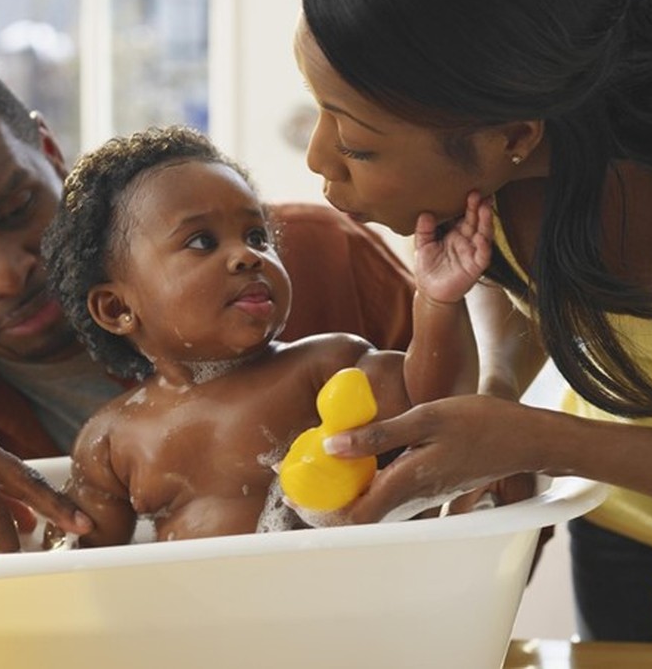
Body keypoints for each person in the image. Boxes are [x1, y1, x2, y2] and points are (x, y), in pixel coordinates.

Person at [293, 0, 652, 647]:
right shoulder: (515, 149)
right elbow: (517, 269)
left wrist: (545, 441)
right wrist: (500, 385)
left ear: (513, 135)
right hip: (633, 537)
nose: (318, 160)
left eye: (357, 143)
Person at [0, 52, 419, 554]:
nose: (3, 274)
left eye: (17, 208)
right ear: (113, 308)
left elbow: (466, 419)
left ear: (47, 149)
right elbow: (75, 553)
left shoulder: (320, 257)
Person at [39, 124, 486, 546]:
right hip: (199, 622)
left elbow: (439, 412)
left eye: (256, 235)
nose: (245, 256)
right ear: (117, 309)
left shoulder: (326, 369)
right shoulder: (113, 440)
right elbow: (84, 557)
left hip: (337, 611)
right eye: (202, 242)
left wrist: (439, 301)